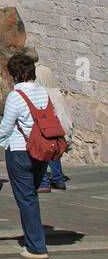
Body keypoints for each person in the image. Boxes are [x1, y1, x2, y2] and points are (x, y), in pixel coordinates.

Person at [0, 53, 61, 259]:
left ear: (13, 74)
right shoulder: (44, 93)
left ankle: (36, 246)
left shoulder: (16, 96)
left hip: (19, 151)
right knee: (31, 196)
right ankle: (33, 239)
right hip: (41, 150)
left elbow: (6, 126)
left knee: (26, 199)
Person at [35, 64, 72, 192]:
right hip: (55, 120)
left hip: (45, 120)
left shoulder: (39, 88)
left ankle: (44, 182)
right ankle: (58, 179)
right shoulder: (47, 70)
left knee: (43, 151)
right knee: (54, 150)